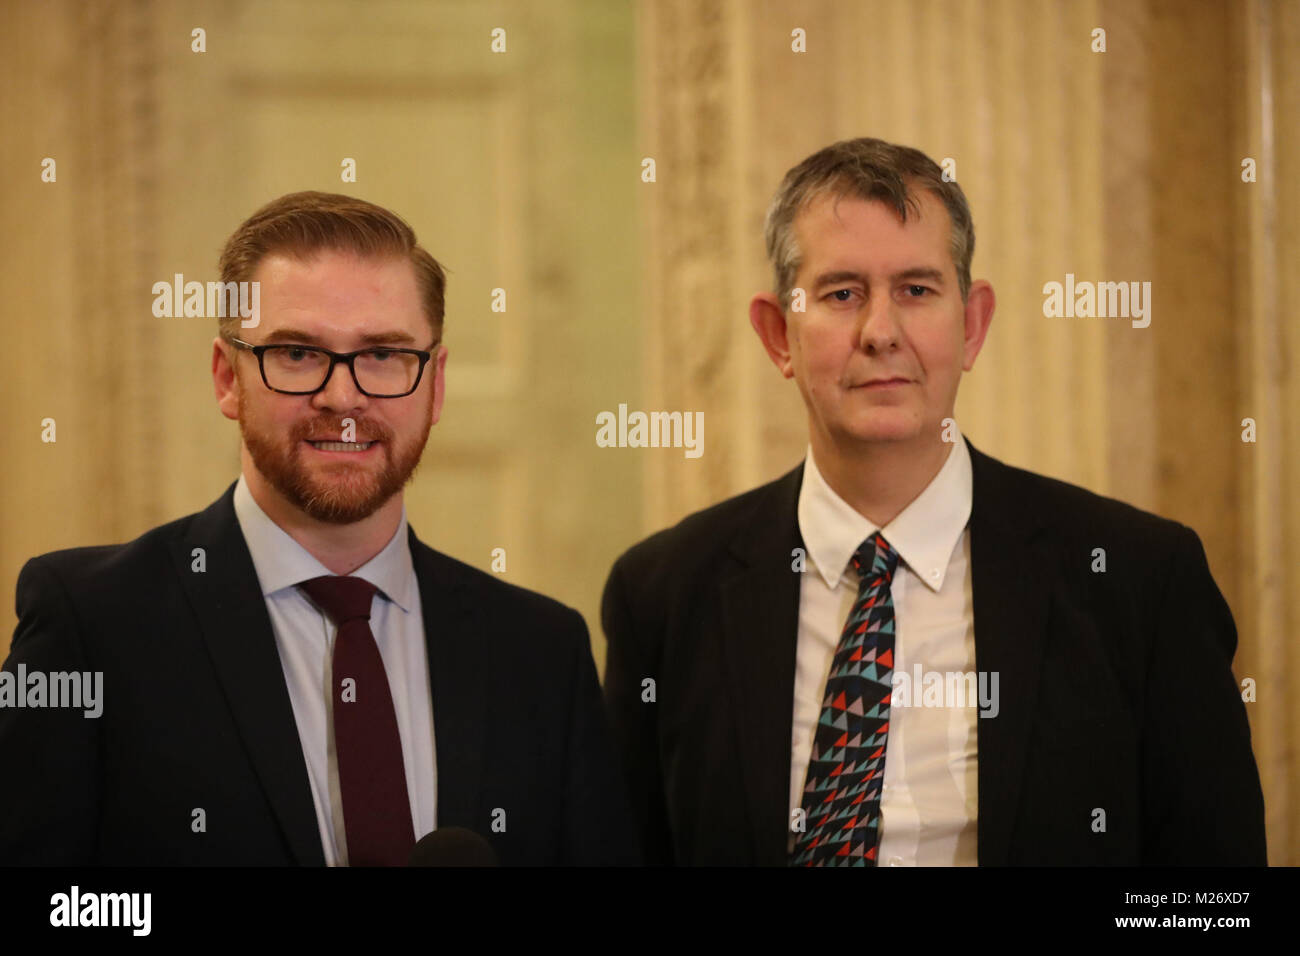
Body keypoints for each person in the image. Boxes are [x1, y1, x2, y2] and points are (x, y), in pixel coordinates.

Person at [601, 138, 1267, 866]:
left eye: (917, 290)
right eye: (841, 293)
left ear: (971, 324)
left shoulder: (1140, 582)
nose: (880, 332)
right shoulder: (665, 594)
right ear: (778, 333)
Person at [0, 191, 635, 866]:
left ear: (436, 385)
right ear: (227, 378)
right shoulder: (92, 624)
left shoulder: (541, 654)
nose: (343, 396)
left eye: (384, 354)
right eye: (298, 353)